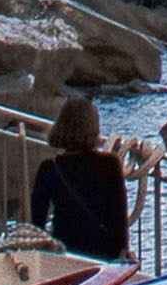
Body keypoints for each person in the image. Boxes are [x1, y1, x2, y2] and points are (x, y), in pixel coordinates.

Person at [31, 93, 134, 263]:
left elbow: (37, 223)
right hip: (105, 254)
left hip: (67, 253)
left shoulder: (49, 168)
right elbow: (119, 220)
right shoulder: (110, 164)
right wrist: (124, 251)